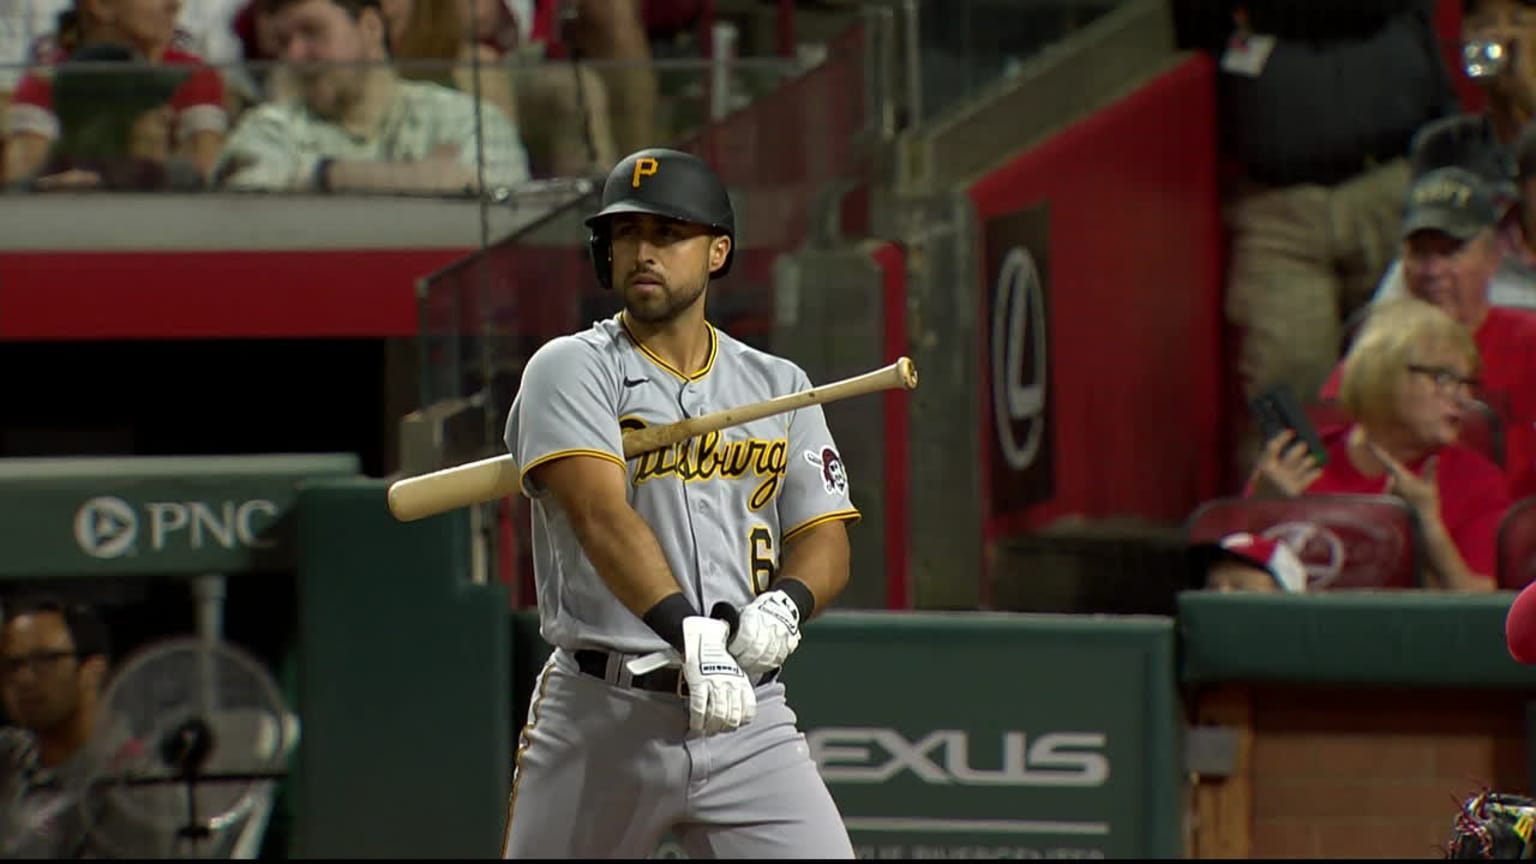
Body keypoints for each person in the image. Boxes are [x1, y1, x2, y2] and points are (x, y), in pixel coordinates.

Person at [499, 147, 859, 858]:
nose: (643, 252)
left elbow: (825, 535)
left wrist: (787, 603)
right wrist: (688, 631)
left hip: (749, 718)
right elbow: (600, 516)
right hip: (604, 715)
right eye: (625, 235)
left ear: (717, 250)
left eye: (668, 234)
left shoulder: (779, 383)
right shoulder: (572, 367)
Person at [1254, 297, 1509, 592]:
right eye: (1443, 378)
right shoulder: (1299, 464)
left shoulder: (1477, 480)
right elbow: (1230, 585)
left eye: (1466, 383)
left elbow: (1480, 614)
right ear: (1384, 374)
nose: (1461, 397)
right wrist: (1262, 510)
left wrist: (1427, 527)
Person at [1321, 166, 1536, 497]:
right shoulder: (1378, 347)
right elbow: (1330, 452)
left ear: (1492, 258)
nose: (1433, 271)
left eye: (1450, 252)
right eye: (1420, 253)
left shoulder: (1528, 341)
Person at [212, 0, 530, 195]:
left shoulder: (464, 120)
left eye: (312, 32)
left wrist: (307, 179)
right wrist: (335, 175)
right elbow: (248, 202)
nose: (294, 55)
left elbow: (504, 221)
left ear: (371, 28)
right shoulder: (270, 126)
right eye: (283, 41)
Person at [0, 594, 158, 858]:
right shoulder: (11, 758)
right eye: (12, 665)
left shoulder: (138, 790)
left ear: (92, 670)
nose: (24, 678)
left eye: (45, 660)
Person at [4, 0, 228, 183]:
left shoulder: (194, 75)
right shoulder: (45, 80)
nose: (174, 4)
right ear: (100, 5)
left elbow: (206, 181)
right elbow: (24, 188)